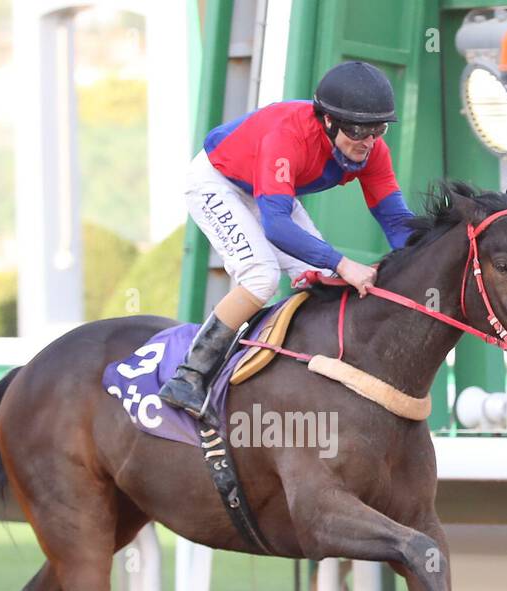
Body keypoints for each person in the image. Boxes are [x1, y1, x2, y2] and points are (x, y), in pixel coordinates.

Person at [159, 60, 416, 419]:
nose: (369, 141)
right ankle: (190, 374)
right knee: (261, 275)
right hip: (218, 182)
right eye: (359, 130)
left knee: (324, 277)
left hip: (269, 192)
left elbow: (395, 220)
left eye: (378, 129)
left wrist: (425, 259)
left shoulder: (372, 150)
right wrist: (344, 262)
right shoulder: (289, 136)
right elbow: (276, 227)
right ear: (328, 120)